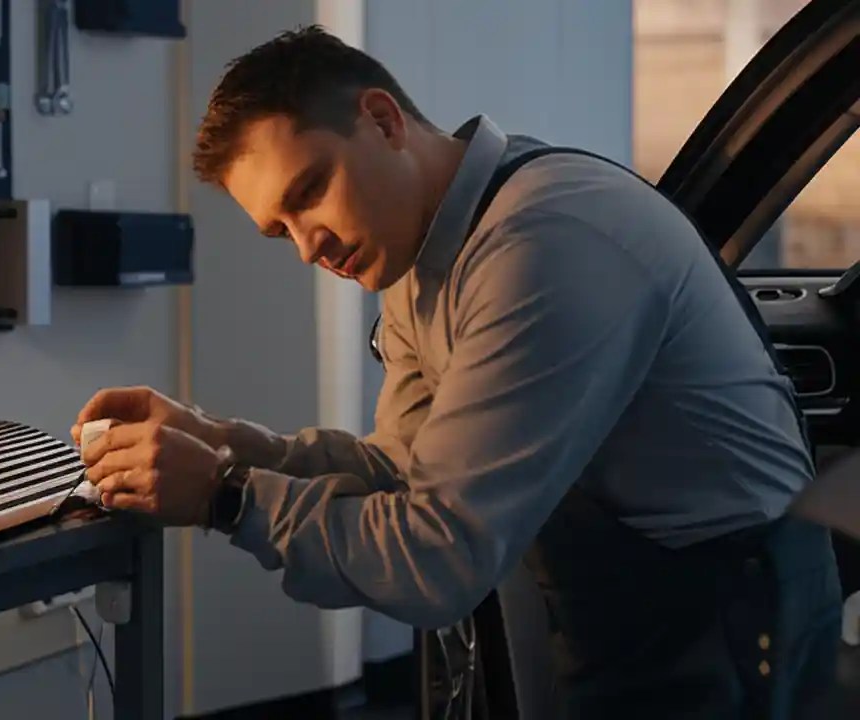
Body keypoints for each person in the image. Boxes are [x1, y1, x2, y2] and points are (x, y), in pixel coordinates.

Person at [74, 26, 842, 718]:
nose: (309, 247)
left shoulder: (540, 245)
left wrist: (223, 495)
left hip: (727, 622)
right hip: (637, 611)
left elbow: (434, 559)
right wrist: (222, 444)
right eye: (283, 229)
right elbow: (400, 470)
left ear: (382, 119)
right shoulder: (422, 258)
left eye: (310, 193)